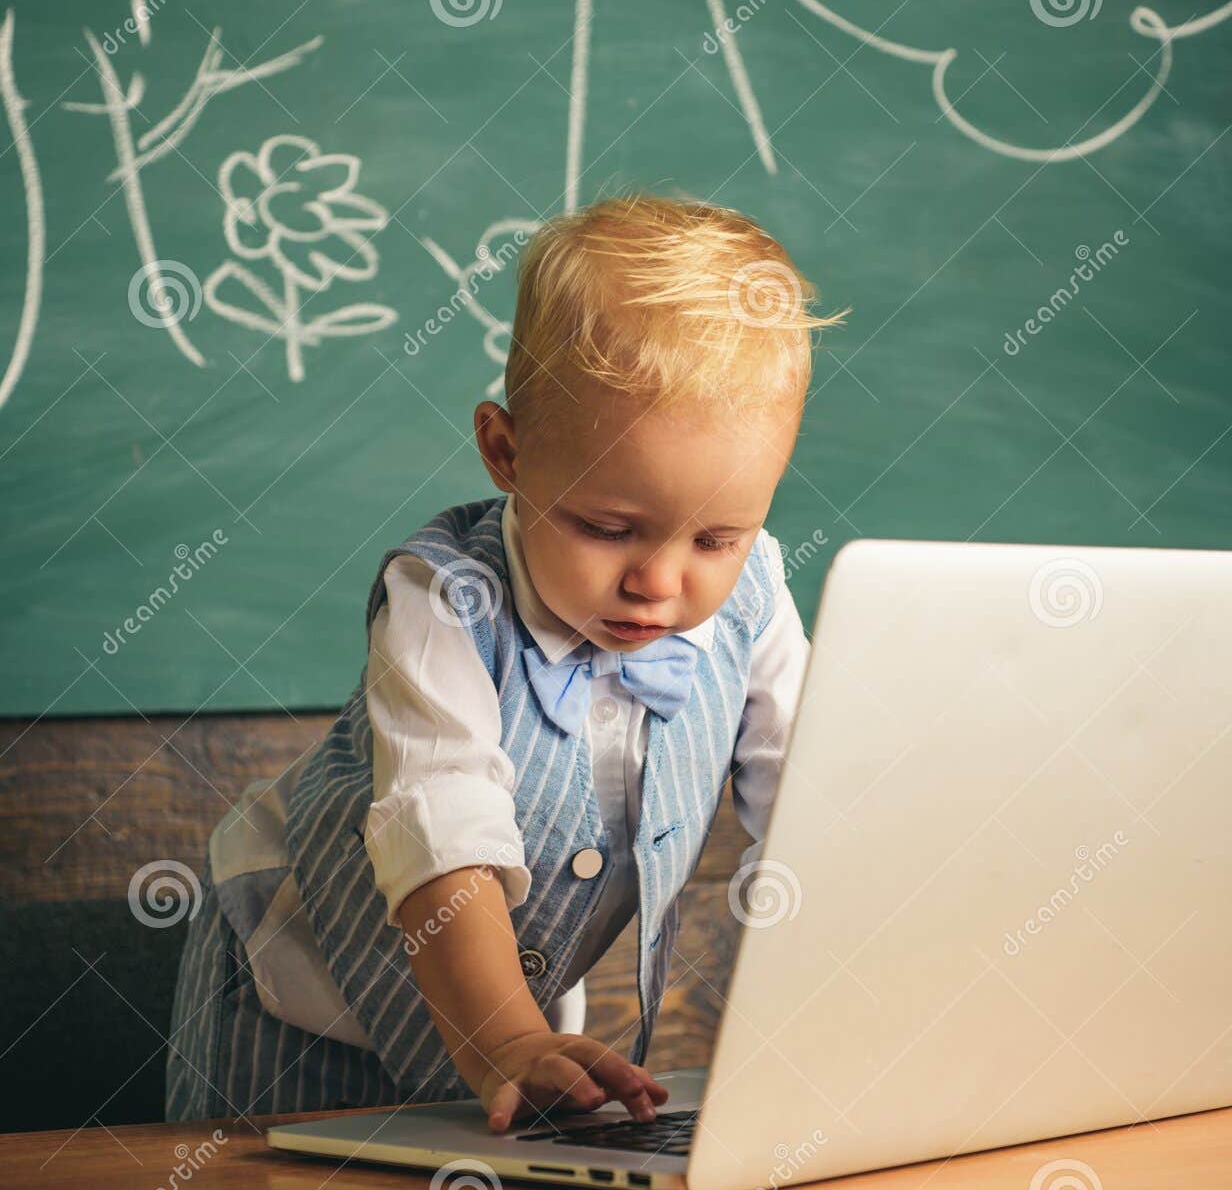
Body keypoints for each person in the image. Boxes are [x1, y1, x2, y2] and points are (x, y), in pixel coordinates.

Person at [166, 192, 844, 1129]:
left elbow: (818, 816)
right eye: (608, 527)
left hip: (516, 1026)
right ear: (506, 451)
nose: (657, 582)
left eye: (717, 539)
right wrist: (505, 1039)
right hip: (296, 1001)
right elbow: (443, 831)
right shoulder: (444, 599)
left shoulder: (756, 595)